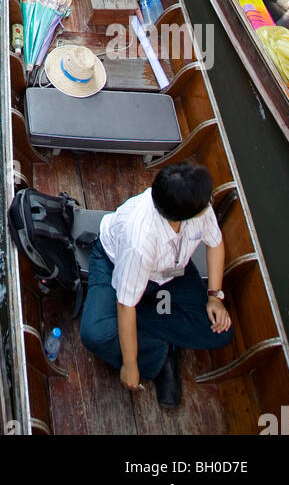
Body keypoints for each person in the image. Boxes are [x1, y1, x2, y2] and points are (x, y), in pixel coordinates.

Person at [79, 162, 233, 408]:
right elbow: (125, 304)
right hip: (114, 264)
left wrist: (215, 296)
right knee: (95, 334)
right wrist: (131, 366)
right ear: (185, 213)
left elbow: (215, 243)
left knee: (220, 332)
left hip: (171, 271)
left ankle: (145, 324)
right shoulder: (140, 241)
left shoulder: (197, 207)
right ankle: (160, 354)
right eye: (207, 201)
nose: (209, 203)